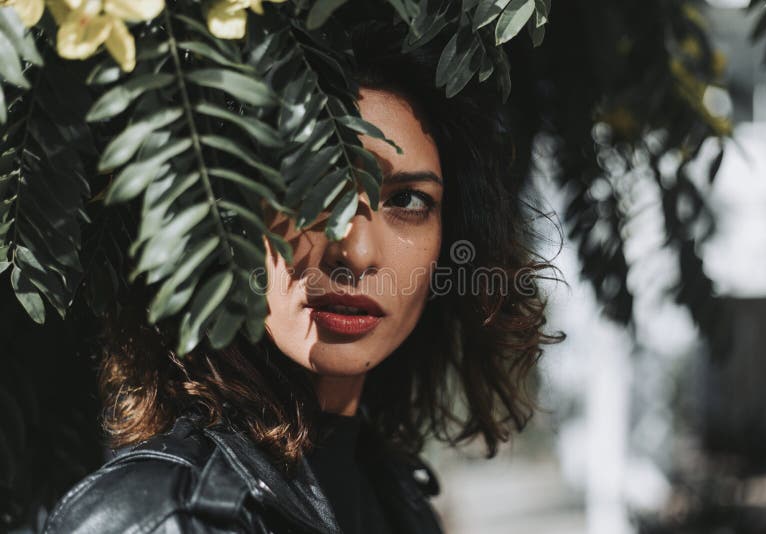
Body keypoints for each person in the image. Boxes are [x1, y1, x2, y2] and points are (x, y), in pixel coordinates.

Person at [41, 14, 560, 534]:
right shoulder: (159, 518)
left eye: (407, 200)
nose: (354, 252)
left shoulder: (400, 506)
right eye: (307, 188)